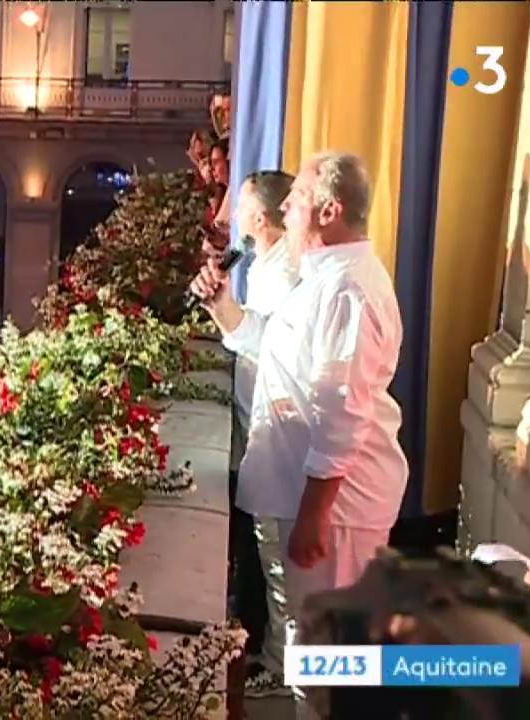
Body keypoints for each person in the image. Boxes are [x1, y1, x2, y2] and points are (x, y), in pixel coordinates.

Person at [191, 151, 407, 719]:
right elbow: (279, 355)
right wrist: (223, 309)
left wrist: (314, 514)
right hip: (304, 495)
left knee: (329, 656)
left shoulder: (347, 291)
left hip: (336, 512)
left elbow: (343, 414)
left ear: (331, 210)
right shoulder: (323, 276)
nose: (285, 206)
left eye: (299, 197)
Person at [222, 170, 301, 697]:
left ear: (260, 218)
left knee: (280, 563)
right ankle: (271, 653)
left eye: (242, 207)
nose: (234, 215)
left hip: (282, 436)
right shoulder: (265, 264)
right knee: (265, 553)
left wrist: (220, 305)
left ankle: (283, 668)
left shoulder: (288, 273)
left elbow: (261, 341)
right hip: (262, 428)